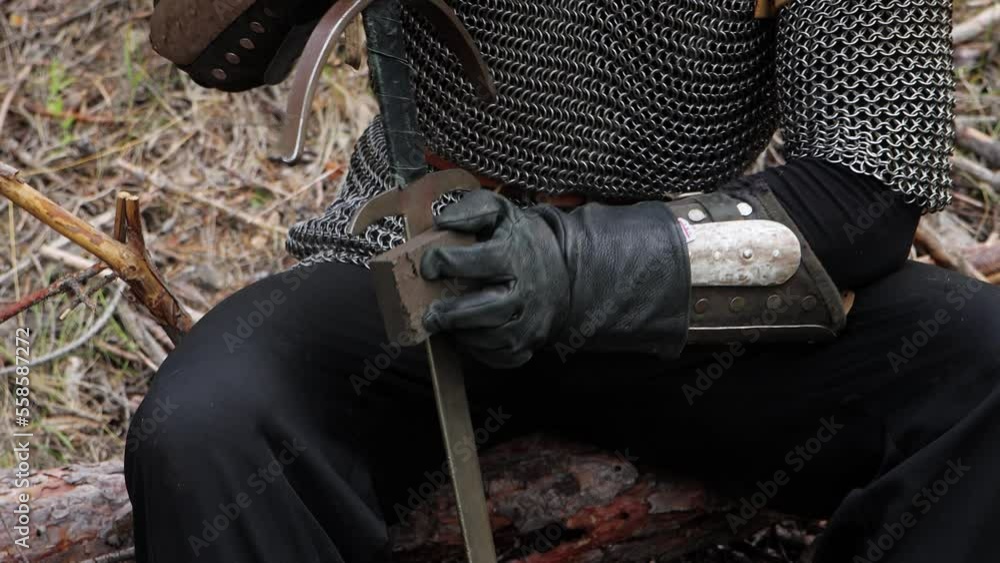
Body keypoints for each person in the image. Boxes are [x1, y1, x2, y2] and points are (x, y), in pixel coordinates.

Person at [127, 1, 1000, 562]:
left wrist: (572, 265)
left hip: (688, 291)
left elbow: (865, 189)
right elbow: (204, 43)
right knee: (210, 426)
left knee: (982, 362)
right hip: (428, 257)